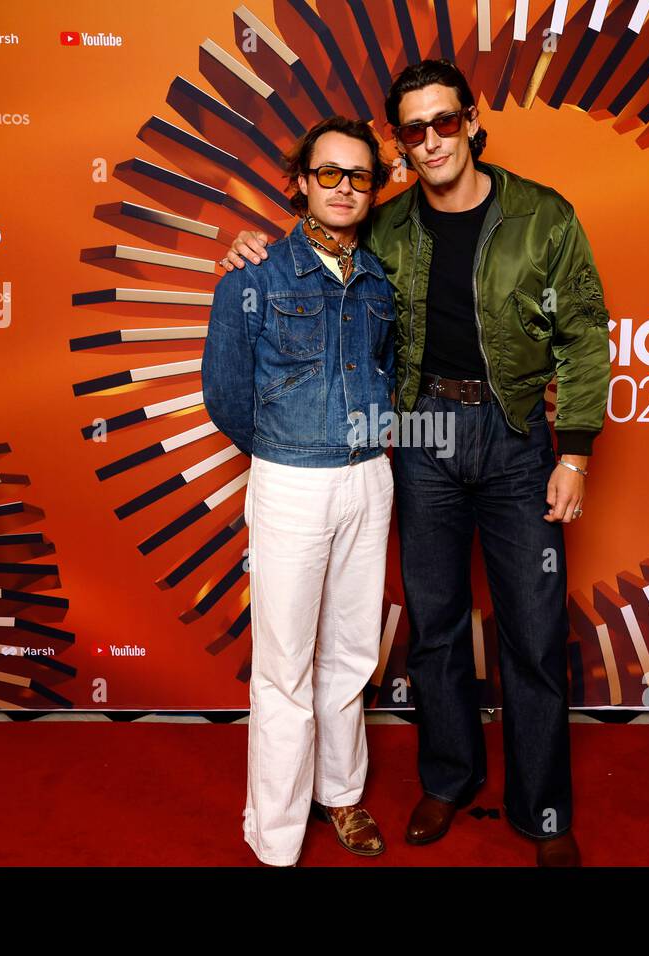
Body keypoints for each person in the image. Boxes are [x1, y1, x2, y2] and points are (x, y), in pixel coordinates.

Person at [222, 60, 611, 867]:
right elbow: (313, 251)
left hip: (513, 439)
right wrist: (248, 247)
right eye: (413, 130)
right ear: (401, 145)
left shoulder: (543, 216)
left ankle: (543, 812)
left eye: (445, 122)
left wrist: (572, 450)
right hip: (422, 436)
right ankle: (449, 779)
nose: (431, 140)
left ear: (471, 121)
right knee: (434, 625)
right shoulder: (387, 228)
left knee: (533, 634)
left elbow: (585, 331)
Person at [202, 116, 397, 866]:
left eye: (360, 176)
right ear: (301, 182)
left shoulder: (379, 279)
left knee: (350, 654)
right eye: (329, 174)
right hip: (289, 482)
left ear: (374, 190)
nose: (344, 188)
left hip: (369, 479)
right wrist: (285, 450)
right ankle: (277, 837)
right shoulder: (252, 278)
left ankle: (342, 797)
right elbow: (225, 393)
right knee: (284, 668)